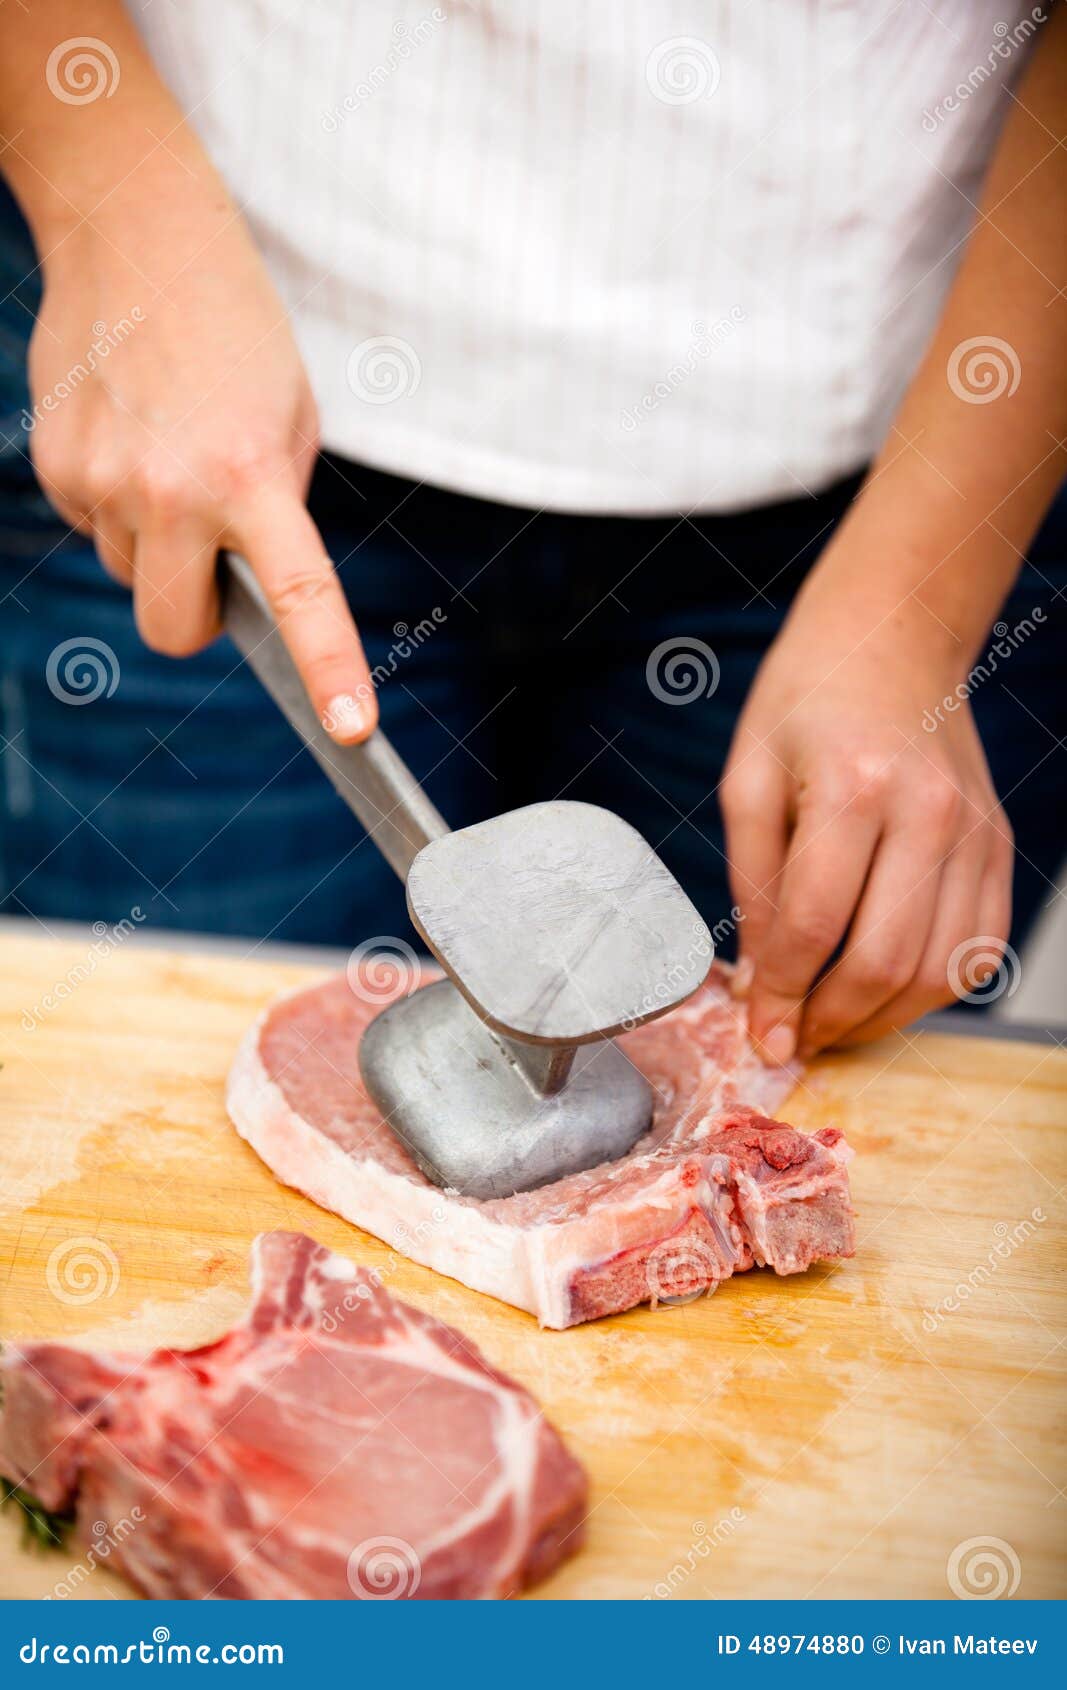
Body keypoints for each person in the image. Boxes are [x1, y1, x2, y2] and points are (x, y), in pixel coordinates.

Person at [0, 2, 1064, 1065]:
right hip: (215, 415)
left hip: (902, 468)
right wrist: (110, 206)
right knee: (158, 1105)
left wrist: (914, 612)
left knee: (795, 1135)